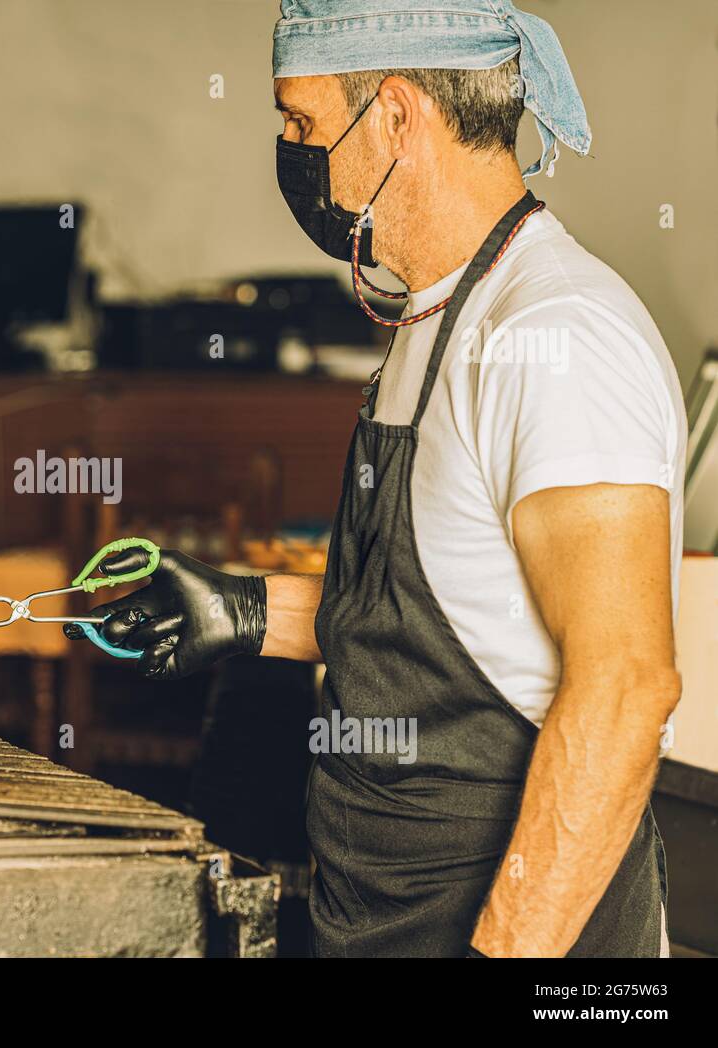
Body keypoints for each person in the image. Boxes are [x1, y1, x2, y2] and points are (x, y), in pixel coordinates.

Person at [68, 0, 685, 958]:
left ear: (396, 114)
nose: (288, 148)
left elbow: (623, 687)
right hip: (385, 917)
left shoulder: (558, 338)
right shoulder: (434, 318)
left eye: (301, 122)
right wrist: (244, 611)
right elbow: (444, 624)